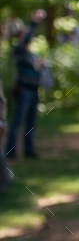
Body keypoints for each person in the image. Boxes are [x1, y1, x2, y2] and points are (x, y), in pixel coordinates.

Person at [5, 9, 46, 160]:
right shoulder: (19, 49)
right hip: (24, 90)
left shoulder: (28, 52)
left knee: (31, 122)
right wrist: (34, 22)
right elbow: (26, 37)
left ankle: (29, 150)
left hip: (34, 89)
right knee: (17, 122)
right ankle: (11, 151)